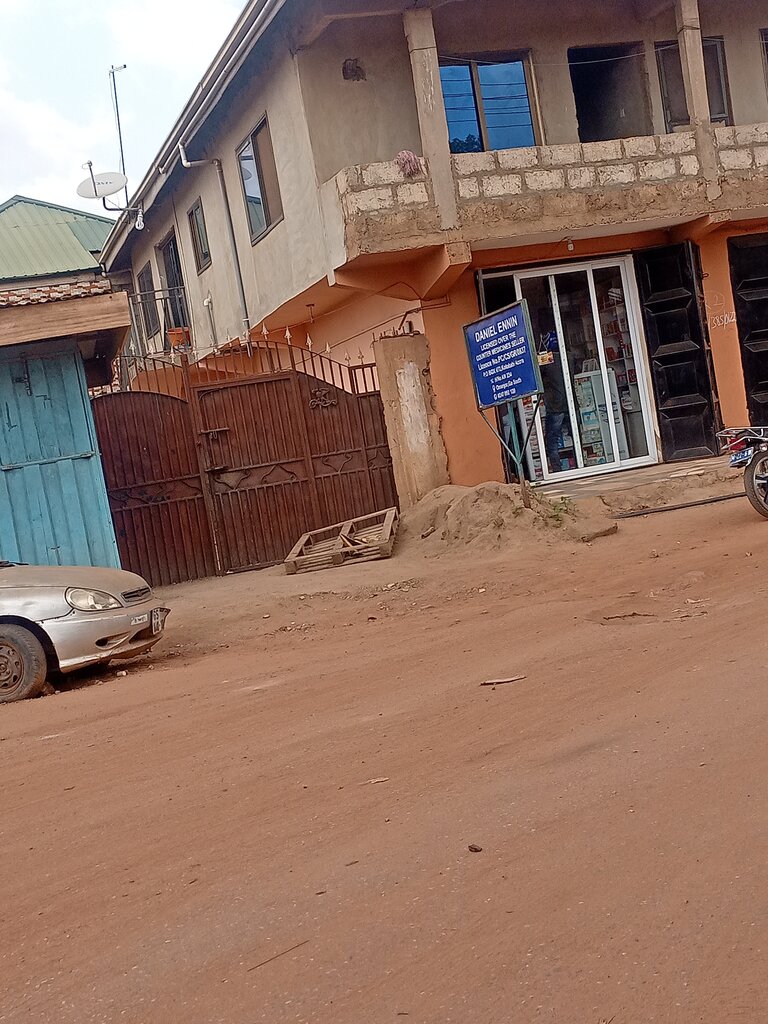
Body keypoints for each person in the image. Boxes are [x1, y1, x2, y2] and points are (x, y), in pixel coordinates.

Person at [540, 333, 568, 474]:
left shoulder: (547, 360)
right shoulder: (568, 356)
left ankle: (557, 471)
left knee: (552, 441)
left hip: (555, 406)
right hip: (569, 404)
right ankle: (582, 464)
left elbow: (539, 375)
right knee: (576, 436)